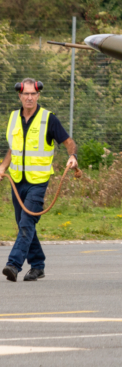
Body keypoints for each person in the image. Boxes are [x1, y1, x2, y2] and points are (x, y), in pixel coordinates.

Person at [0, 79, 77, 282]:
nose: (29, 97)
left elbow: (68, 142)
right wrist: (2, 167)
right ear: (19, 96)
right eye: (25, 94)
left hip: (38, 182)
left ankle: (13, 265)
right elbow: (13, 149)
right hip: (17, 180)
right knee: (23, 224)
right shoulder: (13, 117)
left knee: (27, 222)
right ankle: (38, 265)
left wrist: (73, 156)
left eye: (33, 94)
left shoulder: (48, 119)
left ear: (38, 95)